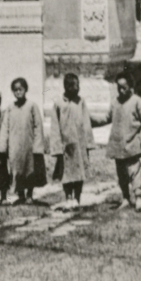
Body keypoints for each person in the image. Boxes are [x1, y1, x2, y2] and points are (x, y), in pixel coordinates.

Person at [104, 72, 141, 213]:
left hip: (132, 143)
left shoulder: (137, 101)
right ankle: (125, 197)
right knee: (121, 172)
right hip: (118, 144)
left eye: (124, 87)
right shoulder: (115, 102)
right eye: (119, 87)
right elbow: (107, 118)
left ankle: (138, 198)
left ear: (131, 87)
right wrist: (90, 120)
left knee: (134, 170)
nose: (121, 90)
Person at [49, 73, 96, 210]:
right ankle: (68, 197)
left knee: (79, 173)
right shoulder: (58, 103)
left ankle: (77, 198)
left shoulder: (81, 102)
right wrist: (56, 147)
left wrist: (89, 143)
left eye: (77, 86)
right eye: (72, 86)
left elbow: (86, 123)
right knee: (67, 174)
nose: (76, 89)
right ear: (66, 87)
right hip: (65, 147)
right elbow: (55, 126)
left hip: (79, 146)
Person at [0, 77, 46, 204]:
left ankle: (29, 195)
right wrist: (2, 146)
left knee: (29, 170)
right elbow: (5, 127)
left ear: (26, 90)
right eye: (15, 90)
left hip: (28, 146)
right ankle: (21, 195)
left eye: (20, 89)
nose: (18, 92)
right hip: (14, 146)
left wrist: (38, 145)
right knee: (16, 170)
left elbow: (38, 126)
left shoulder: (32, 106)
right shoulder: (10, 108)